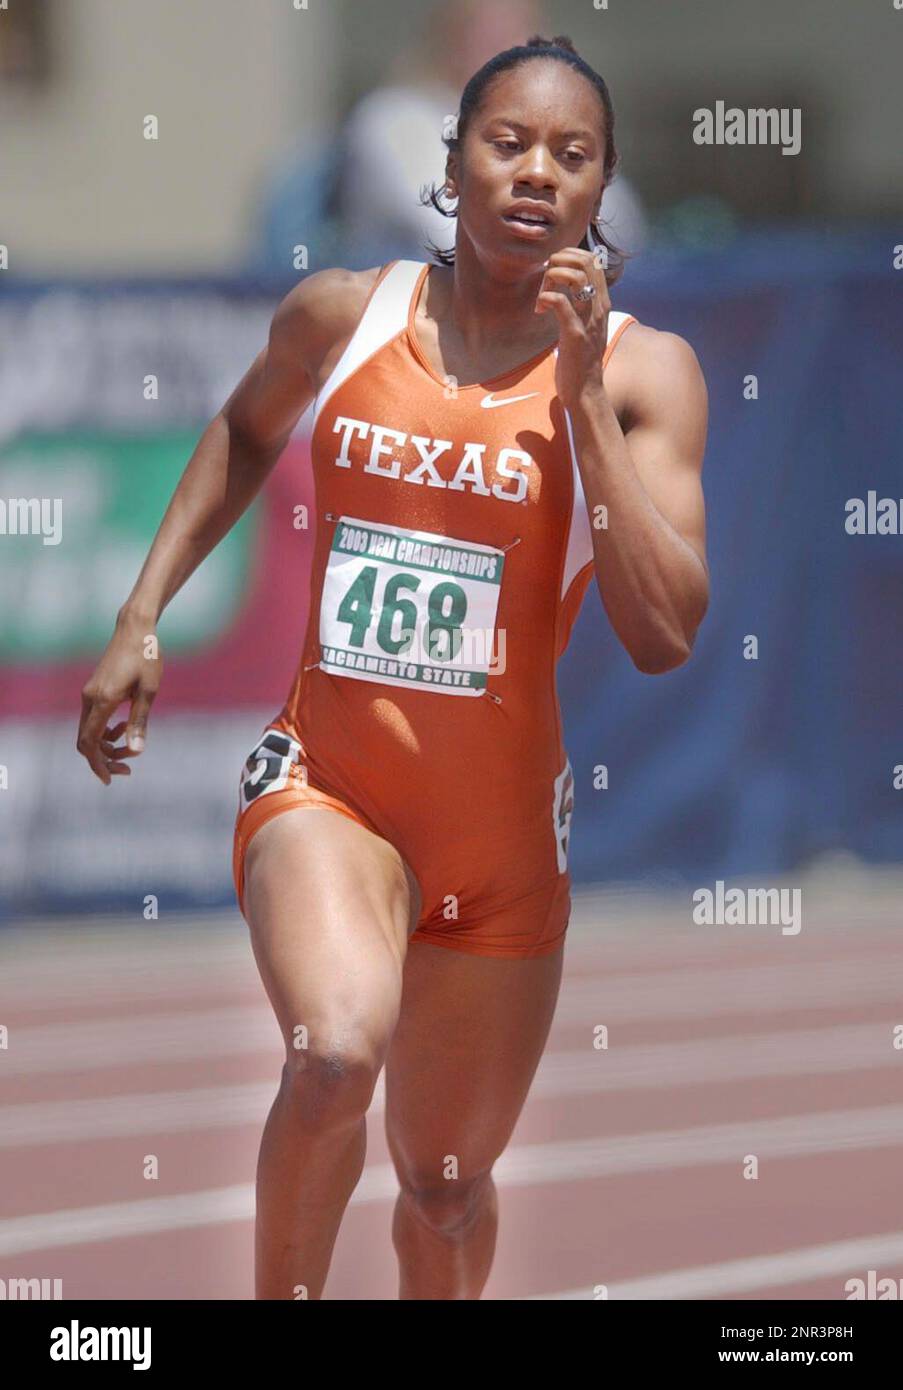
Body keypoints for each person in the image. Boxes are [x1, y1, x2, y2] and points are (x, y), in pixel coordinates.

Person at [77, 33, 709, 1300]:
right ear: (455, 166)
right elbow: (242, 431)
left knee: (447, 1189)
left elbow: (665, 633)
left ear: (602, 191)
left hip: (503, 850)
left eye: (571, 157)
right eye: (508, 144)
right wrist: (140, 616)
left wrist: (580, 404)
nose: (536, 174)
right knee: (332, 1054)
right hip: (331, 788)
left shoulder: (646, 374)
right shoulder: (343, 316)